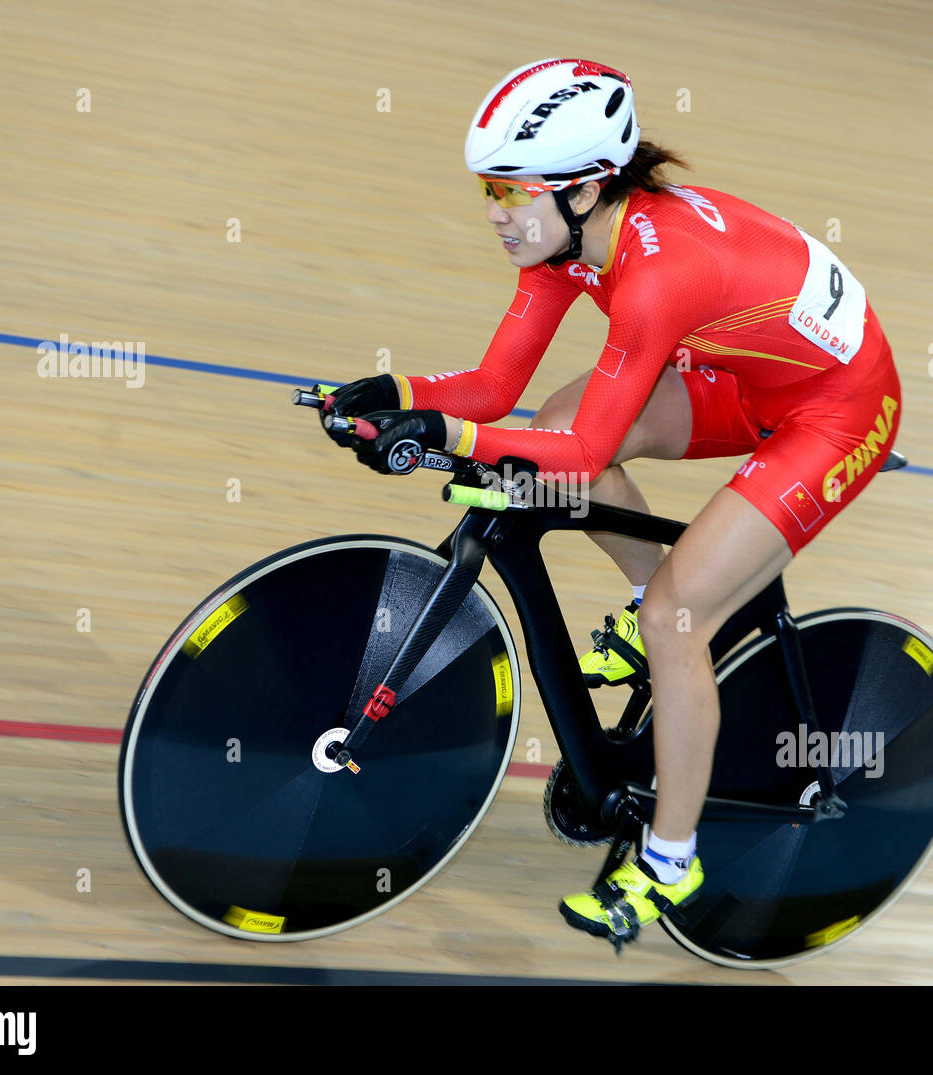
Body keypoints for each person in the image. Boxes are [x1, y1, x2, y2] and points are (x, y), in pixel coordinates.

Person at [321, 58, 901, 950]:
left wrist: (447, 438)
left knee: (674, 619)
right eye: (487, 187)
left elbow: (585, 454)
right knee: (552, 420)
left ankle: (672, 857)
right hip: (742, 374)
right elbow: (494, 383)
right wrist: (398, 392)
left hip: (835, 409)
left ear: (586, 189)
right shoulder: (569, 241)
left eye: (511, 191)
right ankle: (662, 593)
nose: (494, 213)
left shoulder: (659, 274)